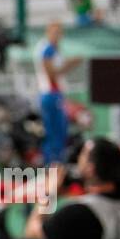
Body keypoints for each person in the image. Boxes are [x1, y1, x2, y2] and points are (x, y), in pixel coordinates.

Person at [35, 21, 83, 171]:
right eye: (54, 32)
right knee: (55, 133)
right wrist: (71, 63)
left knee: (60, 133)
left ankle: (57, 165)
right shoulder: (47, 50)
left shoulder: (53, 50)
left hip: (55, 95)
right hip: (51, 95)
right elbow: (52, 74)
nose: (57, 36)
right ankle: (52, 166)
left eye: (59, 32)